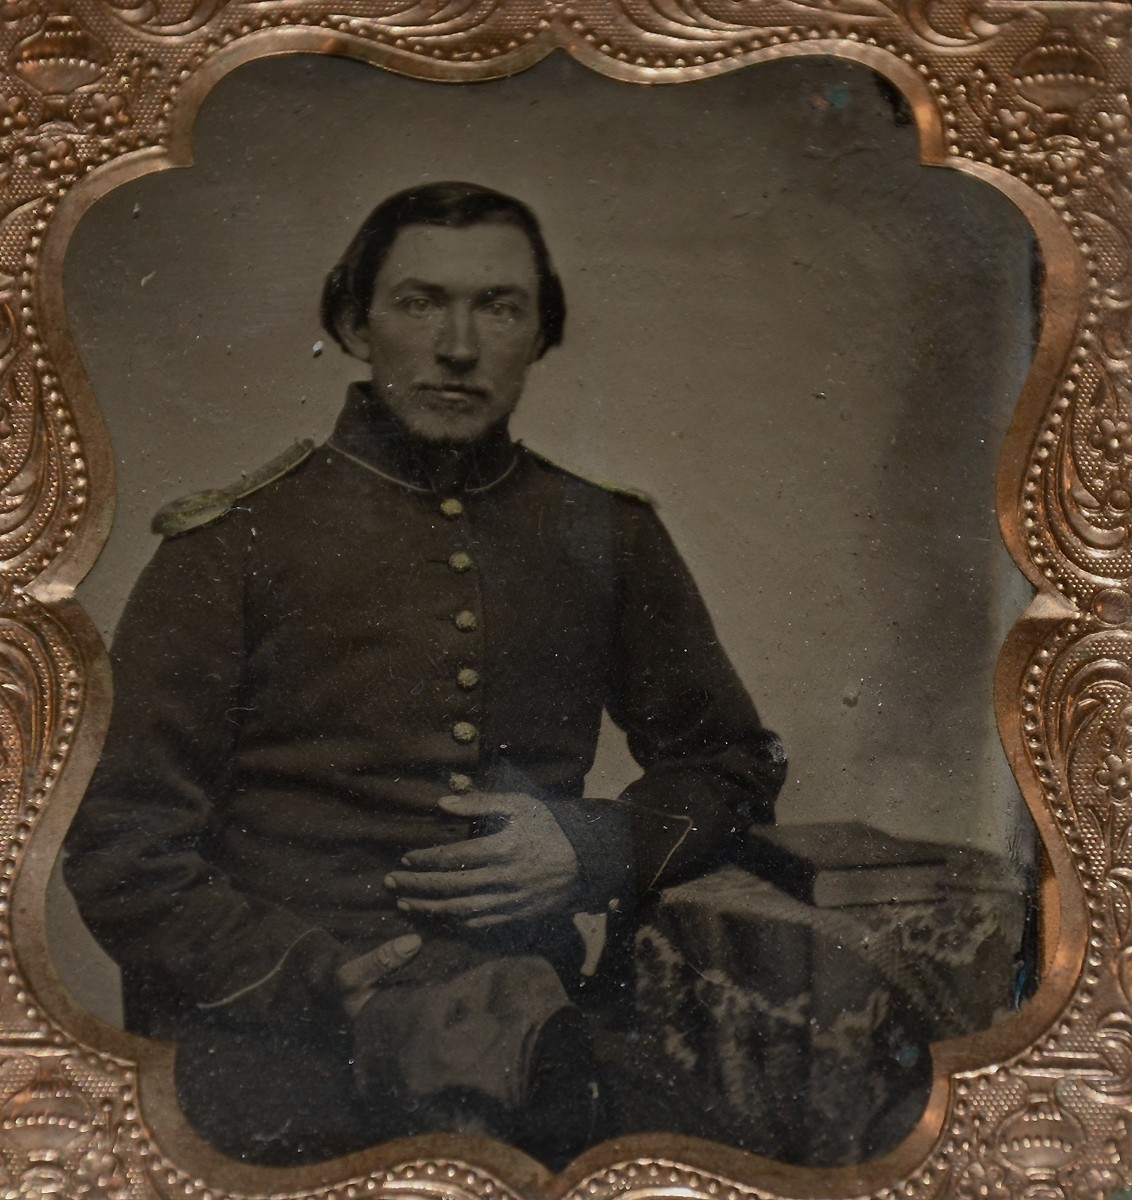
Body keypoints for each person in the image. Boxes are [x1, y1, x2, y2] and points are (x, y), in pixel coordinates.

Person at [63, 182, 786, 1167]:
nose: (458, 345)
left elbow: (734, 769)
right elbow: (120, 849)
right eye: (418, 302)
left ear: (540, 334)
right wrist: (321, 979)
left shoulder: (605, 534)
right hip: (278, 1051)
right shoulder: (231, 546)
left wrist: (598, 847)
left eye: (498, 307)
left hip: (533, 1028)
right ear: (355, 323)